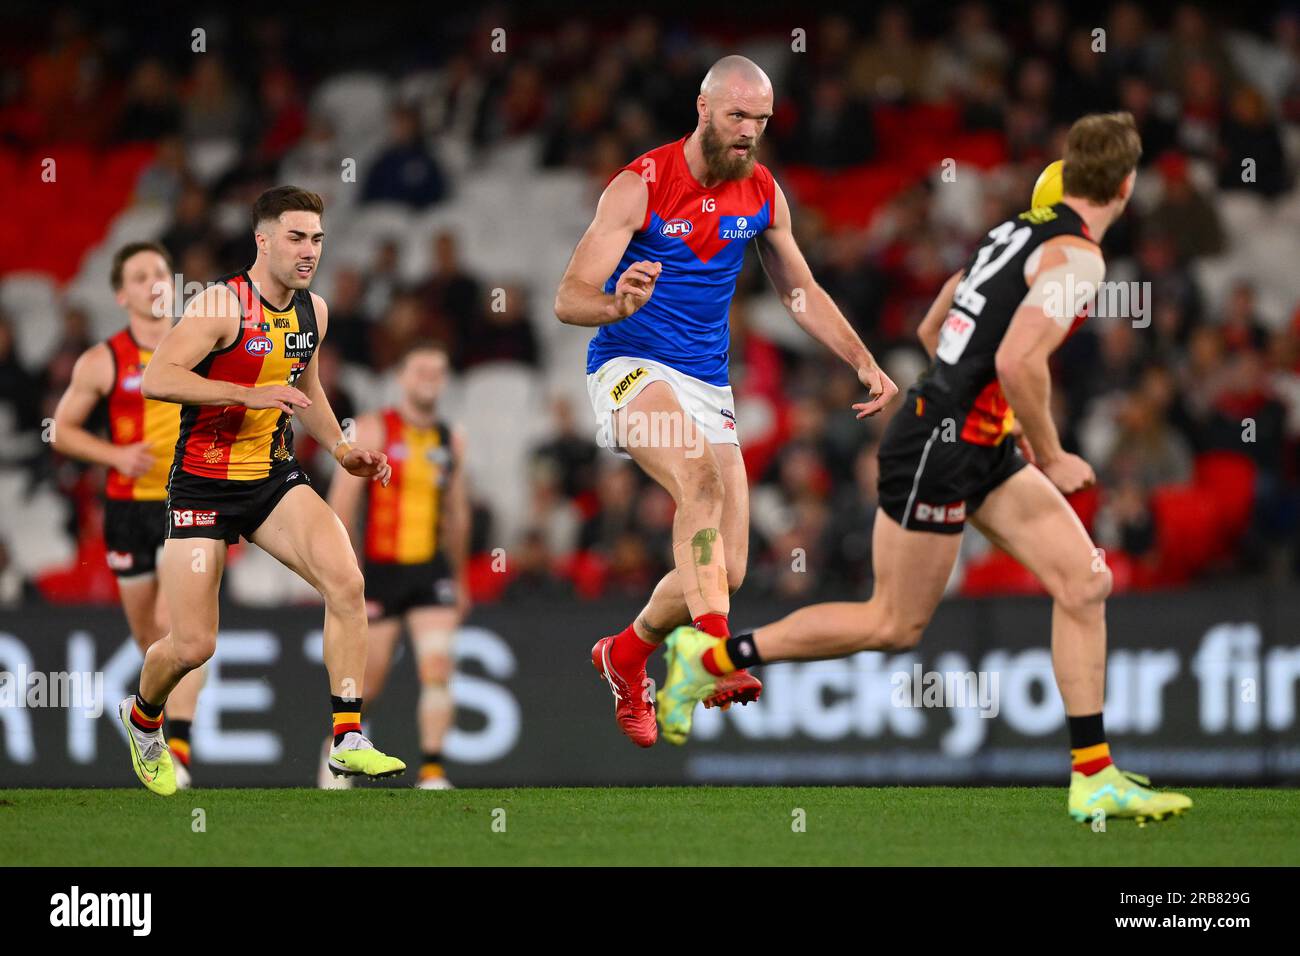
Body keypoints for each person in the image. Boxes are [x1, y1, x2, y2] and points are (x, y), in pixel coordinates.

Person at [656, 113, 1193, 823]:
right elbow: (1017, 360)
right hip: (942, 446)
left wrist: (982, 412)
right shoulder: (1081, 258)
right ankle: (710, 659)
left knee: (1084, 581)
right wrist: (1052, 450)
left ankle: (1093, 774)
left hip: (967, 437)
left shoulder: (1016, 233)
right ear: (1126, 185)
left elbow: (935, 325)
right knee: (892, 625)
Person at [555, 55, 896, 747]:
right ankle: (714, 651)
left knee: (725, 569)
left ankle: (625, 655)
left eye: (761, 121)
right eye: (738, 116)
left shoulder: (763, 190)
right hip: (628, 363)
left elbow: (798, 292)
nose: (748, 133)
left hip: (706, 382)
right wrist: (617, 302)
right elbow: (568, 299)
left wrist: (863, 359)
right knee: (698, 480)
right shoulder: (640, 185)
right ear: (704, 108)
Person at [119, 185, 403, 795]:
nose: (309, 252)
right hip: (202, 485)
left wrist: (342, 449)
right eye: (296, 238)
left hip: (272, 478)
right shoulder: (221, 306)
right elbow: (157, 378)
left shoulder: (314, 312)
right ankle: (142, 718)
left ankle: (349, 738)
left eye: (318, 240)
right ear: (263, 240)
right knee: (194, 645)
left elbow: (308, 388)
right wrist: (246, 395)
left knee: (347, 583)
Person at [52, 242, 204, 787]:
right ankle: (152, 728)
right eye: (140, 276)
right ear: (122, 294)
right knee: (150, 638)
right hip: (125, 509)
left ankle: (179, 754)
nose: (154, 282)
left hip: (188, 502)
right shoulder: (103, 360)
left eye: (161, 271)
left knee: (181, 629)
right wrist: (114, 454)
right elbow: (62, 430)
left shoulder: (200, 343)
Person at [323, 343, 469, 790]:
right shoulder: (373, 428)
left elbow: (457, 513)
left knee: (439, 666)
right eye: (421, 369)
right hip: (380, 574)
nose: (430, 378)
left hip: (431, 570)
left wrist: (459, 577)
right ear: (402, 377)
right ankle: (338, 755)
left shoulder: (450, 438)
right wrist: (344, 573)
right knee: (370, 681)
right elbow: (341, 504)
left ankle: (432, 772)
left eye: (438, 371)